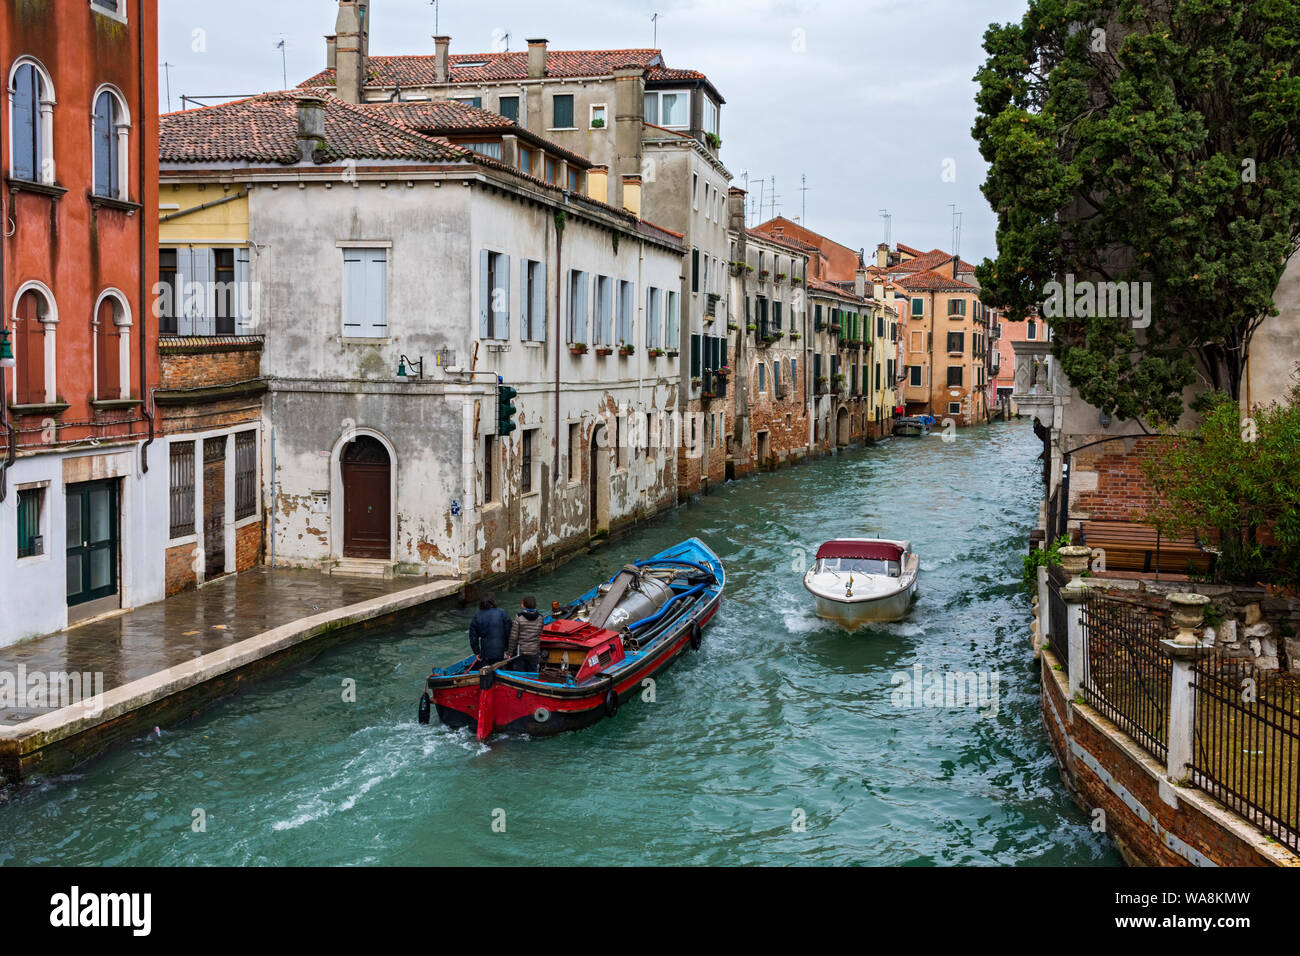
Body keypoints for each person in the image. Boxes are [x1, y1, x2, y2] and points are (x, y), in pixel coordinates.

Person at [468, 594, 511, 667]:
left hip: (486, 653)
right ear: (493, 602)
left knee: (486, 671)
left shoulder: (477, 616)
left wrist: (477, 652)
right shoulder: (502, 613)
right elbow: (509, 632)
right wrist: (508, 649)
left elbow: (473, 637)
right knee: (501, 668)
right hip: (501, 651)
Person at [507, 596, 544, 673]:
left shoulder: (519, 617)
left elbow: (513, 637)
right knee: (532, 674)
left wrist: (509, 652)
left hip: (520, 651)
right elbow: (540, 633)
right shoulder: (540, 618)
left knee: (520, 673)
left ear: (524, 605)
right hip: (534, 650)